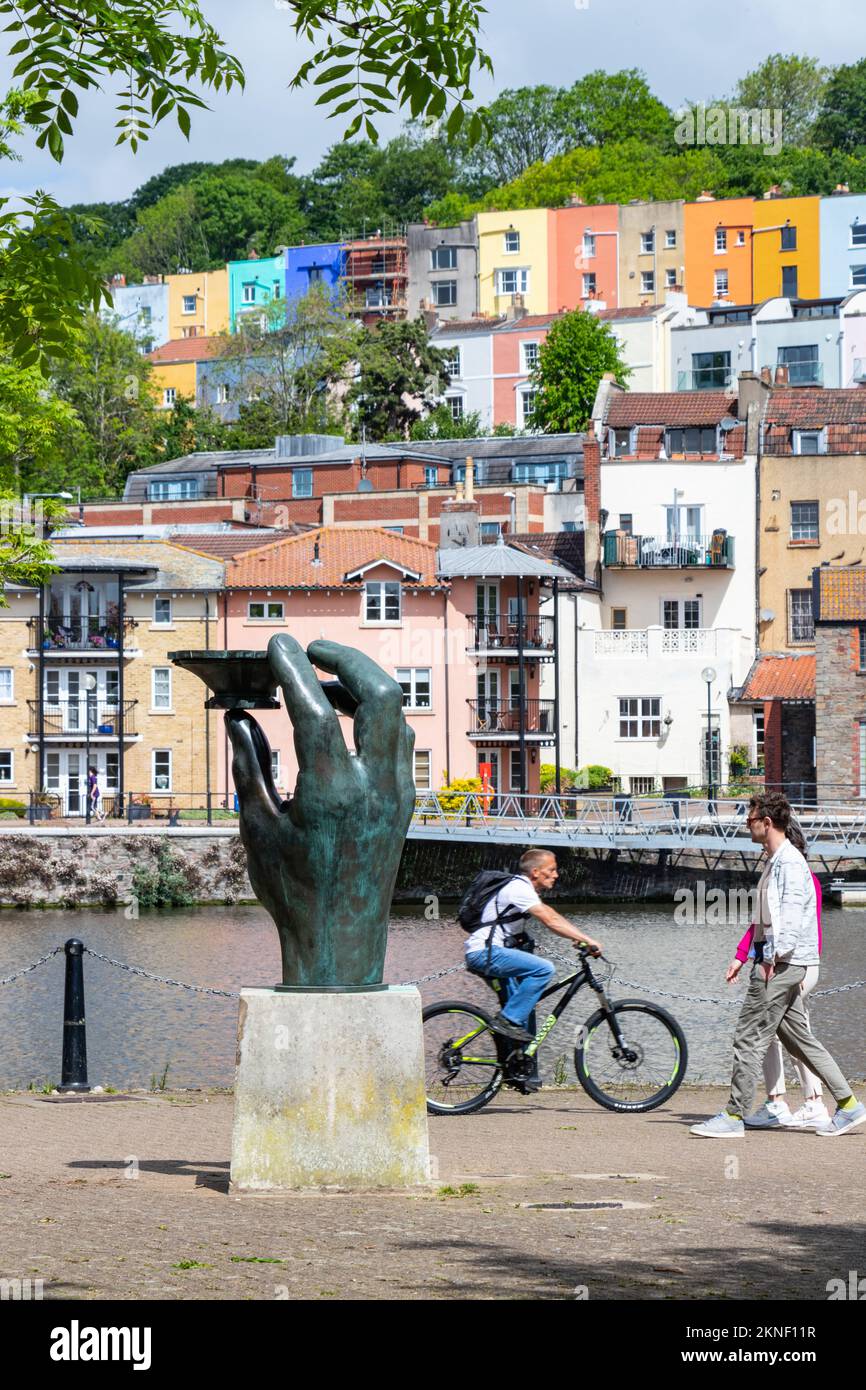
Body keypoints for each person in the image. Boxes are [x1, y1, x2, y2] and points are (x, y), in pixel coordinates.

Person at [691, 792, 866, 1139]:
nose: (747, 826)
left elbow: (790, 918)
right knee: (800, 1039)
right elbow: (765, 917)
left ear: (767, 823)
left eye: (750, 821)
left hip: (781, 967)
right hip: (785, 964)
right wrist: (744, 956)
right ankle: (848, 1106)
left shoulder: (788, 864)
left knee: (747, 1037)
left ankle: (733, 1117)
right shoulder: (777, 860)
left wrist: (771, 959)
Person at [729, 819, 829, 1131]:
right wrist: (740, 956)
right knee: (776, 1032)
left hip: (796, 965)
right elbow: (759, 923)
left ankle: (812, 1102)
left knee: (792, 1033)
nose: (763, 850)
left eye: (766, 845)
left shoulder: (801, 876)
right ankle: (778, 1101)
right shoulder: (777, 874)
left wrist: (795, 970)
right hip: (784, 964)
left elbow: (806, 929)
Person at [464, 849, 602, 1047]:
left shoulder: (522, 888)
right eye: (552, 870)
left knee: (522, 1006)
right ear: (536, 872)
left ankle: (515, 1069)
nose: (556, 875)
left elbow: (550, 913)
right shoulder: (519, 888)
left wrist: (578, 937)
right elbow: (549, 919)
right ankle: (508, 1021)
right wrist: (587, 939)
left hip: (488, 952)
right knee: (544, 969)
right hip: (485, 953)